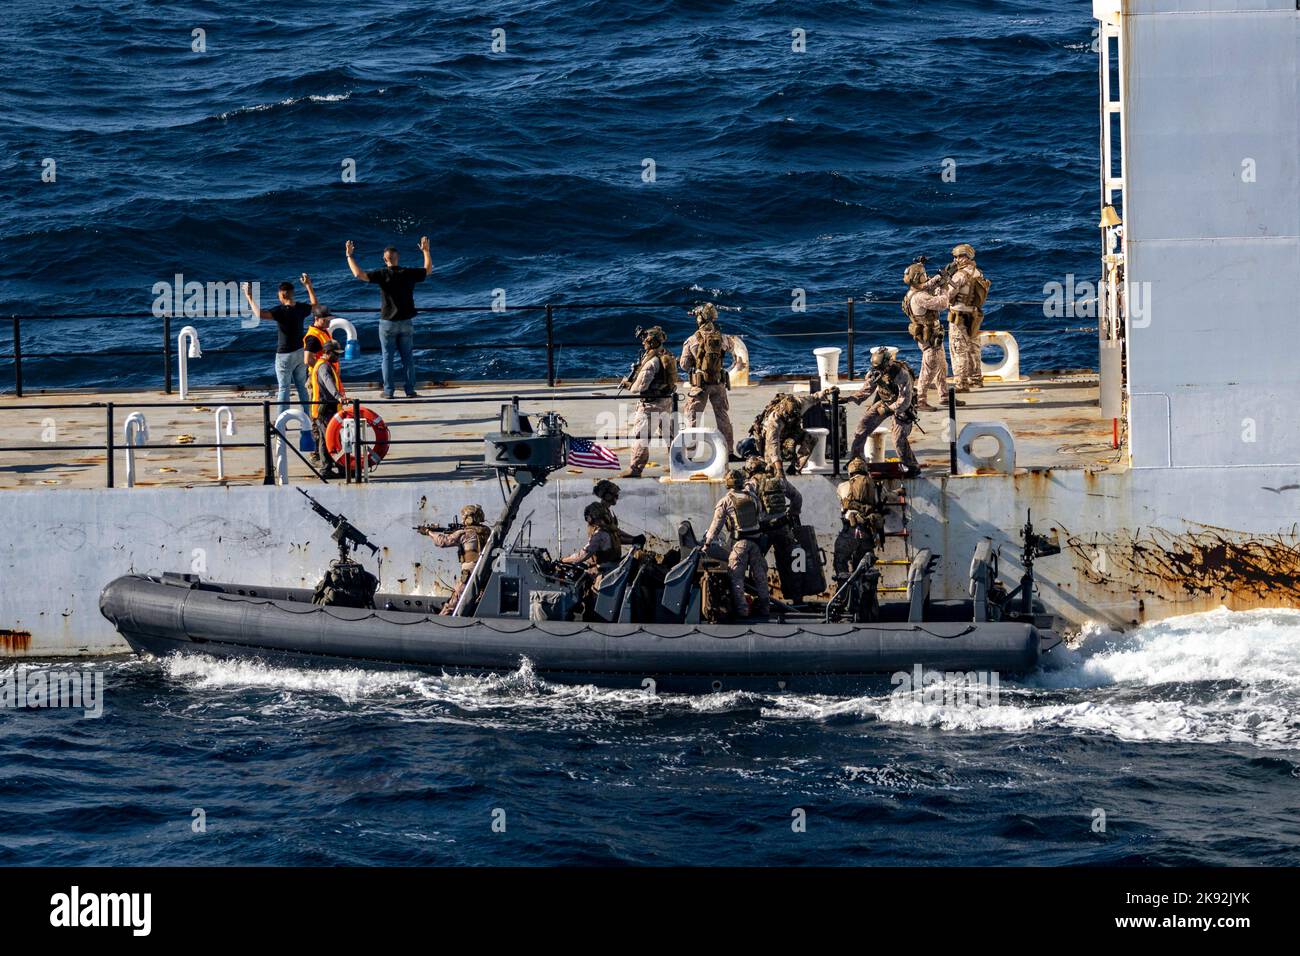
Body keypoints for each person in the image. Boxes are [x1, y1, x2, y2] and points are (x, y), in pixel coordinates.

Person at [345, 236, 433, 399]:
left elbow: (359, 274)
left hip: (387, 322)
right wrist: (426, 251)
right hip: (406, 321)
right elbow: (427, 270)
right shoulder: (408, 273)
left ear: (385, 259)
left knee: (387, 358)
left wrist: (349, 256)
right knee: (408, 358)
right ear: (397, 257)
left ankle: (389, 391)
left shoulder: (382, 274)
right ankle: (410, 390)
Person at [242, 275, 317, 416]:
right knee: (302, 386)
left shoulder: (280, 311)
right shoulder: (301, 308)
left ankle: (281, 421)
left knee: (284, 388)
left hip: (284, 355)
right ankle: (307, 416)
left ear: (282, 295)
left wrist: (249, 297)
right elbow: (315, 306)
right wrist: (308, 285)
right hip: (300, 352)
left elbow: (259, 314)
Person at [703, 470, 770, 618]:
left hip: (740, 544)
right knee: (760, 576)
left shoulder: (726, 501)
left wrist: (706, 544)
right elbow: (762, 517)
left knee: (736, 577)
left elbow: (716, 525)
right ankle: (765, 608)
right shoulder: (752, 497)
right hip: (756, 543)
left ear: (728, 484)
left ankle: (742, 611)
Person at [679, 303, 740, 458]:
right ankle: (729, 452)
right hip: (718, 383)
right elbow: (732, 350)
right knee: (722, 416)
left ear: (700, 319)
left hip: (700, 385)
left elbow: (684, 365)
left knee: (692, 417)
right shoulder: (723, 338)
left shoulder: (692, 340)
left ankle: (690, 454)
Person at [848, 348, 920, 476]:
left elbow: (905, 400)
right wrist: (850, 398)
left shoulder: (901, 374)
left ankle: (911, 466)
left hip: (903, 407)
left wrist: (888, 409)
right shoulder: (876, 371)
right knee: (863, 426)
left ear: (888, 363)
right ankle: (855, 461)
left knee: (898, 438)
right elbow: (867, 389)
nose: (879, 370)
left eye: (882, 367)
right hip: (885, 400)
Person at [620, 326, 678, 478]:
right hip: (666, 401)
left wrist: (627, 384)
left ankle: (635, 468)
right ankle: (677, 464)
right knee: (670, 435)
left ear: (652, 342)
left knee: (641, 437)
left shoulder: (652, 362)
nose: (643, 342)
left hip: (650, 405)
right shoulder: (667, 355)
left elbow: (638, 387)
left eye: (646, 340)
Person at [743, 457, 803, 602]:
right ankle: (797, 598)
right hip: (783, 527)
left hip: (762, 530)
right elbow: (797, 497)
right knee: (790, 563)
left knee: (757, 563)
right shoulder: (779, 481)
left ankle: (759, 597)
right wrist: (792, 513)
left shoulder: (751, 484)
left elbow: (745, 505)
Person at [902, 262, 952, 411]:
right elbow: (943, 303)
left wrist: (939, 277)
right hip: (929, 338)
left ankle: (944, 396)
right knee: (928, 370)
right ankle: (920, 400)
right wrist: (943, 287)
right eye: (923, 275)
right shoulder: (920, 297)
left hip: (933, 335)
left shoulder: (913, 291)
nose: (926, 276)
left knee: (942, 366)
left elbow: (927, 284)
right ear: (918, 278)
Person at [424, 504, 492, 616]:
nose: (462, 519)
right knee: (477, 593)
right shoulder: (486, 531)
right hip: (484, 568)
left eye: (464, 517)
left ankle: (444, 616)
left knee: (458, 594)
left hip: (470, 570)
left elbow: (442, 541)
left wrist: (428, 532)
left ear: (469, 518)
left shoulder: (465, 533)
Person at [749, 389, 831, 475]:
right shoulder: (774, 420)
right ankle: (775, 472)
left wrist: (826, 392)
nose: (791, 418)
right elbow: (773, 445)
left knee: (810, 439)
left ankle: (795, 467)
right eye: (789, 416)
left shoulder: (800, 403)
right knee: (771, 470)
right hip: (769, 439)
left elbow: (814, 398)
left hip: (789, 431)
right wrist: (779, 469)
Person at [944, 243, 990, 391]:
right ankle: (976, 379)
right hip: (974, 316)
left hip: (959, 317)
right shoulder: (978, 273)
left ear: (968, 257)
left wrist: (942, 284)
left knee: (958, 350)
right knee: (973, 348)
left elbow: (947, 295)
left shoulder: (960, 275)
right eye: (955, 256)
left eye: (960, 256)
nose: (956, 260)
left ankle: (961, 383)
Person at [833, 457, 885, 585]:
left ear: (850, 473)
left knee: (840, 560)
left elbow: (841, 500)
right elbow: (886, 497)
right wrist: (899, 492)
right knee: (864, 566)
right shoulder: (875, 486)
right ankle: (867, 596)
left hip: (849, 531)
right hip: (867, 532)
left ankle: (844, 593)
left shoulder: (842, 486)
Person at [309, 339, 346, 478]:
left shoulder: (325, 364)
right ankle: (332, 468)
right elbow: (328, 382)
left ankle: (331, 468)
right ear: (328, 352)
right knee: (331, 438)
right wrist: (339, 396)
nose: (338, 357)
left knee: (326, 439)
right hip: (324, 409)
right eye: (336, 354)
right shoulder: (324, 367)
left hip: (325, 408)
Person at [561, 503, 623, 574]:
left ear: (591, 518)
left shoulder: (599, 535)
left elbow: (582, 555)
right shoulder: (612, 531)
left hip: (605, 571)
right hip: (615, 568)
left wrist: (564, 560)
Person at [591, 479, 645, 548]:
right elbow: (610, 539)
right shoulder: (600, 514)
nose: (617, 497)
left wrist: (634, 538)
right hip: (605, 557)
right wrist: (633, 540)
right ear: (608, 496)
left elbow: (616, 531)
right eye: (615, 495)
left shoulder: (607, 511)